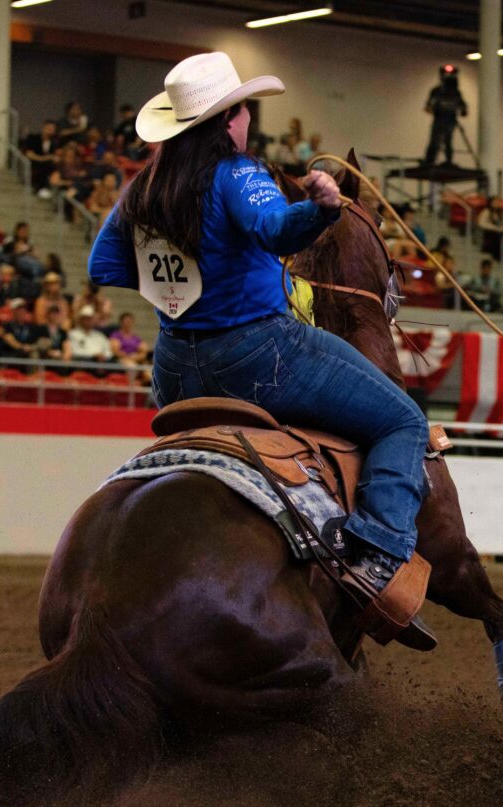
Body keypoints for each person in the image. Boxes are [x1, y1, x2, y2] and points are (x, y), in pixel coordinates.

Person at [87, 52, 433, 647]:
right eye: (245, 109)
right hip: (258, 355)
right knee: (404, 421)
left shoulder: (144, 188)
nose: (248, 119)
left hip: (174, 372)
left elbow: (104, 266)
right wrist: (322, 209)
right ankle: (378, 558)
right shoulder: (237, 172)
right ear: (230, 119)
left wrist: (184, 280)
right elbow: (275, 230)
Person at [422, 63, 467, 167]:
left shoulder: (455, 92)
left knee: (446, 140)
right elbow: (428, 106)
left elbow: (462, 107)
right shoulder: (437, 91)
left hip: (449, 120)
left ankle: (444, 160)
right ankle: (431, 160)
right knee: (436, 140)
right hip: (441, 119)